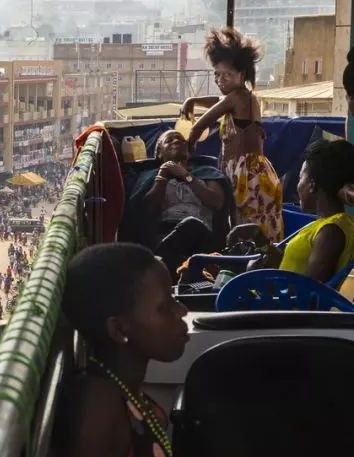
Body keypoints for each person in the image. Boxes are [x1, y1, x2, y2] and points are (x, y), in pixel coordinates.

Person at [50, 243, 243, 457]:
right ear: (119, 330)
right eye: (165, 307)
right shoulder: (97, 409)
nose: (181, 311)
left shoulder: (130, 396)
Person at [182, 26, 283, 242]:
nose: (221, 80)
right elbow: (218, 102)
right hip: (247, 175)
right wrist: (192, 101)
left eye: (227, 75)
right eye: (217, 75)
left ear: (242, 74)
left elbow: (200, 125)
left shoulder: (238, 98)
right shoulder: (238, 98)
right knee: (250, 232)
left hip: (248, 177)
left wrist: (187, 149)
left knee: (249, 234)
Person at [229, 139, 354, 282]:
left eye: (300, 178)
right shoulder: (329, 225)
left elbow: (309, 292)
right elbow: (291, 267)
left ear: (312, 185)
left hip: (274, 304)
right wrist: (260, 238)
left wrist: (256, 277)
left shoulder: (330, 232)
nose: (297, 185)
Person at [129, 129, 232, 277]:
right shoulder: (150, 176)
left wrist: (186, 175)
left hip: (203, 235)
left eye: (180, 140)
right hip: (165, 234)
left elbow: (217, 202)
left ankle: (155, 267)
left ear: (188, 152)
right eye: (169, 140)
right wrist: (162, 177)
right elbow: (147, 209)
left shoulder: (207, 172)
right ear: (159, 153)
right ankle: (182, 275)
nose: (176, 141)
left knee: (192, 224)